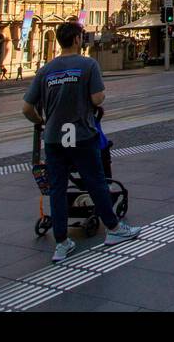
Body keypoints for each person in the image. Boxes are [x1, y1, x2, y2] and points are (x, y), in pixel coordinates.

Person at [22, 20, 138, 263]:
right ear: (77, 40)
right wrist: (98, 97)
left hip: (54, 137)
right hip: (80, 135)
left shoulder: (45, 70)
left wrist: (41, 122)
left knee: (58, 188)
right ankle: (114, 229)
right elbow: (97, 98)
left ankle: (62, 243)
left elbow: (26, 108)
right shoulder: (87, 65)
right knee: (95, 181)